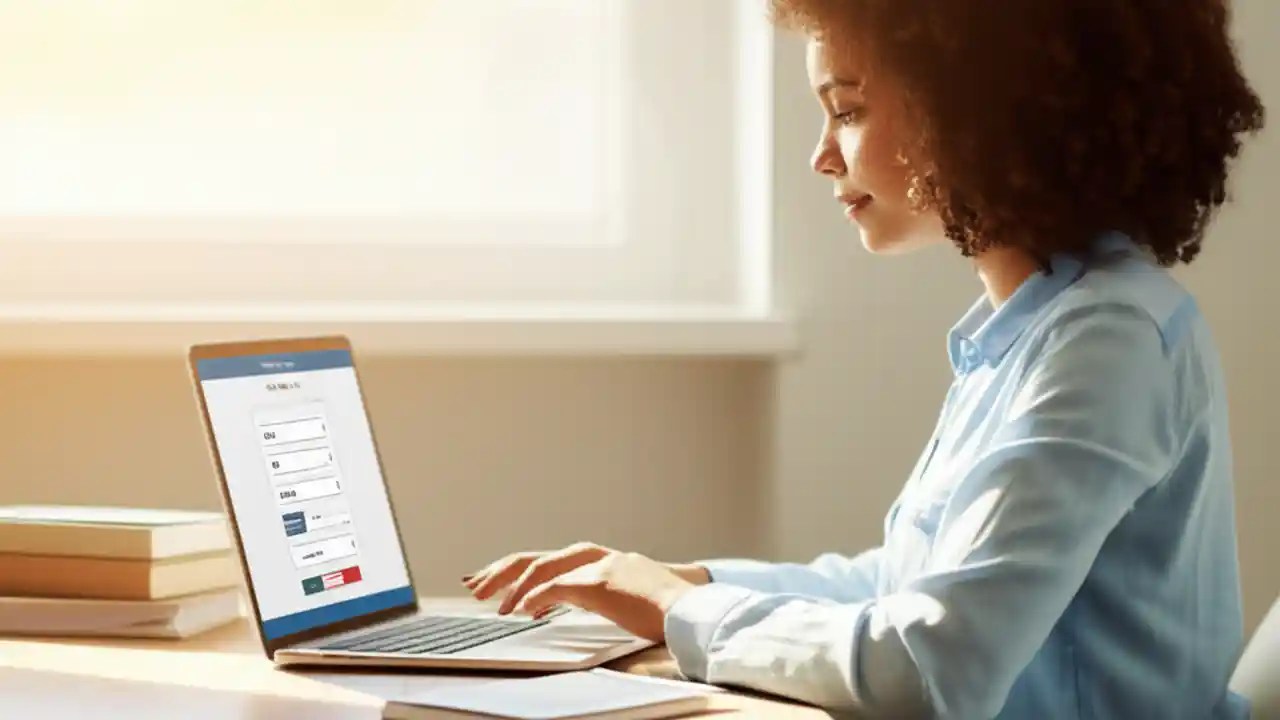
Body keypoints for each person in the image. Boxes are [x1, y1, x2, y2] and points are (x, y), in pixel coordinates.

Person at [462, 1, 1266, 717]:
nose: (822, 155)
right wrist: (690, 584)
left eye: (846, 109)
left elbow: (929, 669)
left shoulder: (1108, 342)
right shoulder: (1034, 329)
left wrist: (677, 609)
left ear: (975, 105)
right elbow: (908, 588)